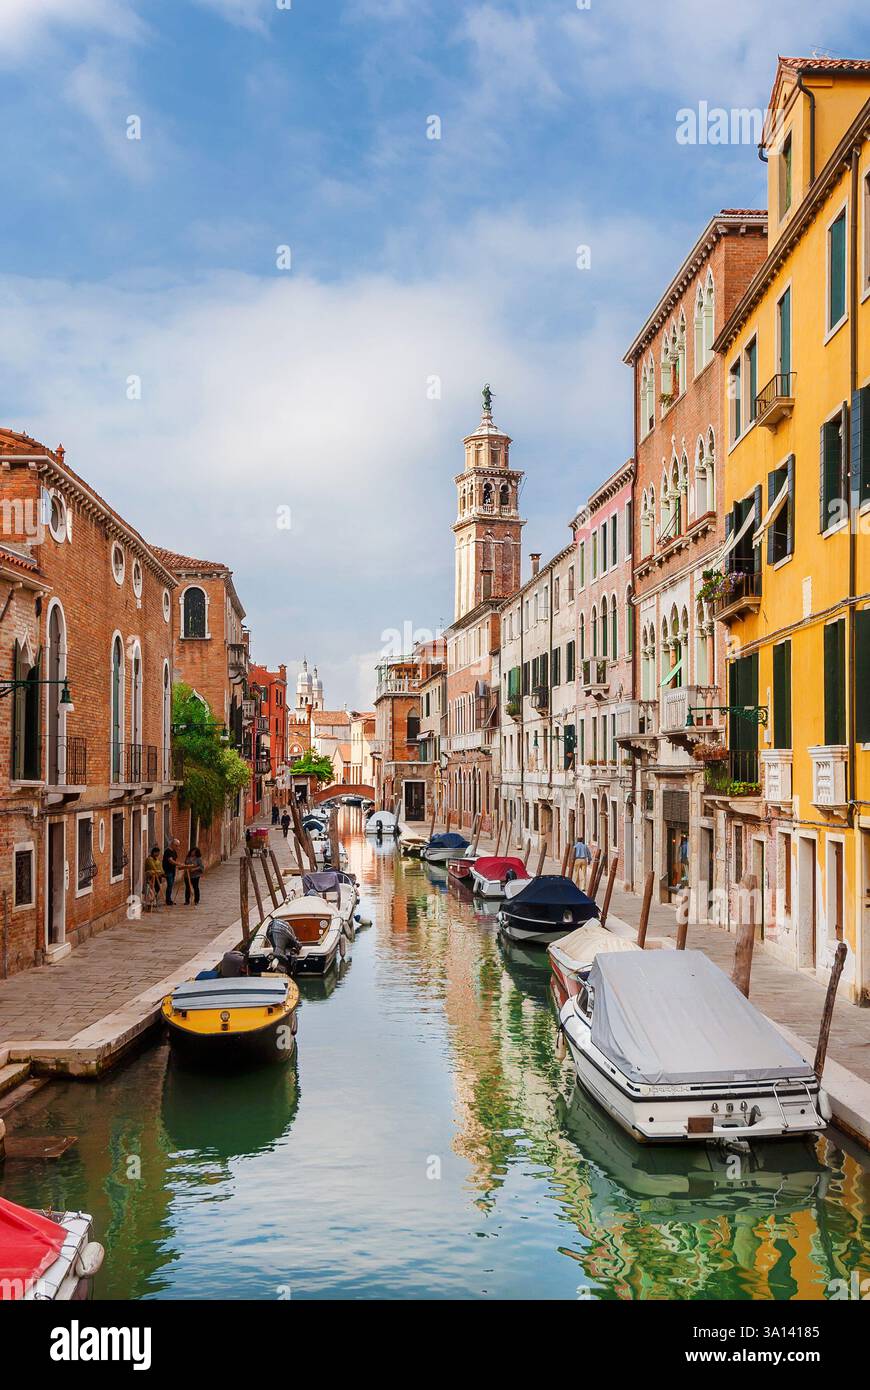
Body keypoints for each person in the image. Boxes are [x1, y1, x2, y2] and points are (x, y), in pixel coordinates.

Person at [162, 837, 179, 906]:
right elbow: (171, 861)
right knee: (170, 885)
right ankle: (168, 900)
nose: (177, 847)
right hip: (168, 870)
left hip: (173, 870)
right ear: (172, 844)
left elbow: (175, 860)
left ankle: (169, 899)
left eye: (178, 845)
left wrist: (178, 865)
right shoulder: (167, 851)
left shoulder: (174, 851)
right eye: (176, 845)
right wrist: (178, 864)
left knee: (171, 885)